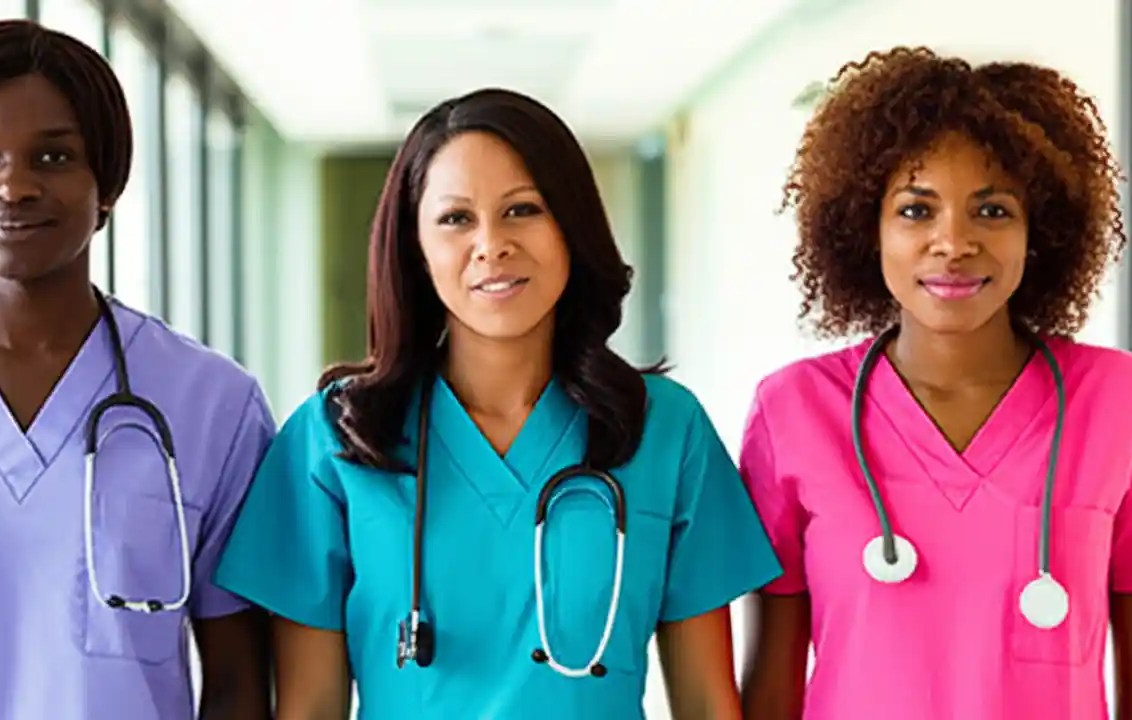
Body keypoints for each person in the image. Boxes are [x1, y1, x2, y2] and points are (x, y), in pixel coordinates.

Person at [214, 87, 782, 718]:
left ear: (572, 224)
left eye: (523, 209)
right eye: (457, 219)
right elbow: (309, 707)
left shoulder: (665, 429)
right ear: (416, 247)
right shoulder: (336, 438)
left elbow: (706, 702)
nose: (492, 245)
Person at [738, 47, 1132, 720]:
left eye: (992, 211)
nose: (953, 241)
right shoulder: (793, 412)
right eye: (915, 210)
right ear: (864, 228)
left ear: (1040, 231)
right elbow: (769, 690)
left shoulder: (1127, 404)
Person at [0, 20, 274, 719]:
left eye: (54, 157)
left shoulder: (213, 404)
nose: (14, 186)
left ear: (108, 184)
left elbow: (241, 679)